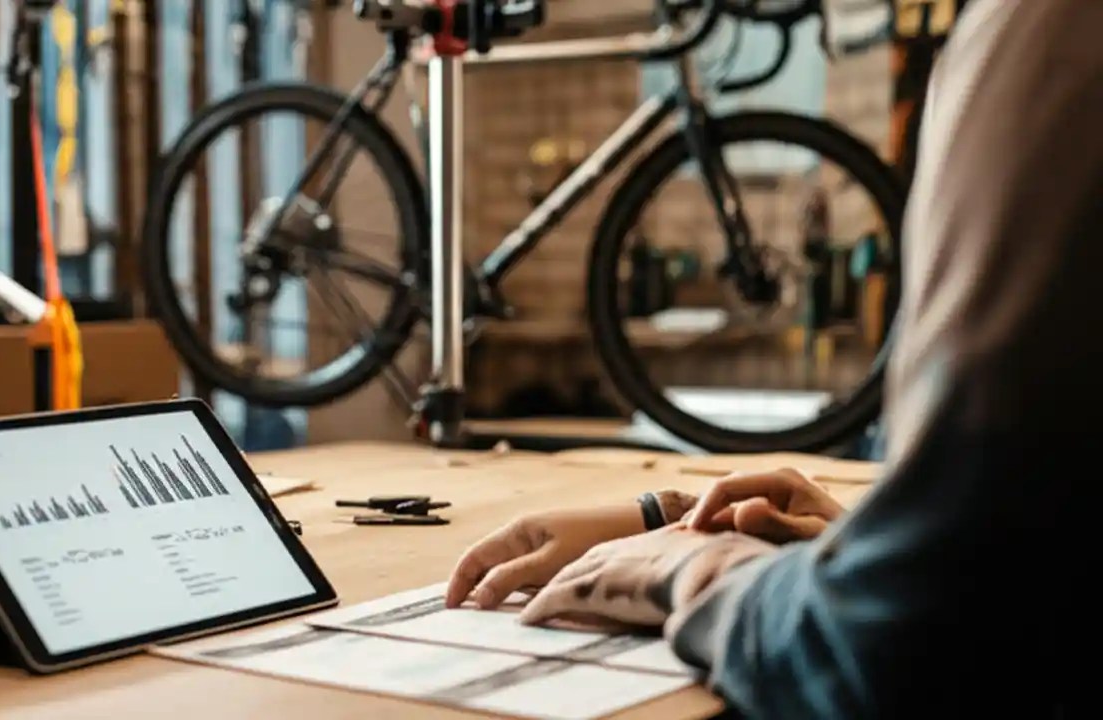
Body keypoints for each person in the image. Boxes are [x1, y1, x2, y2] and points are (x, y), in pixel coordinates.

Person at [445, 0, 1092, 715]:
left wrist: (699, 567)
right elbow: (1036, 558)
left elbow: (905, 650)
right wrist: (701, 524)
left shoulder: (1056, 30)